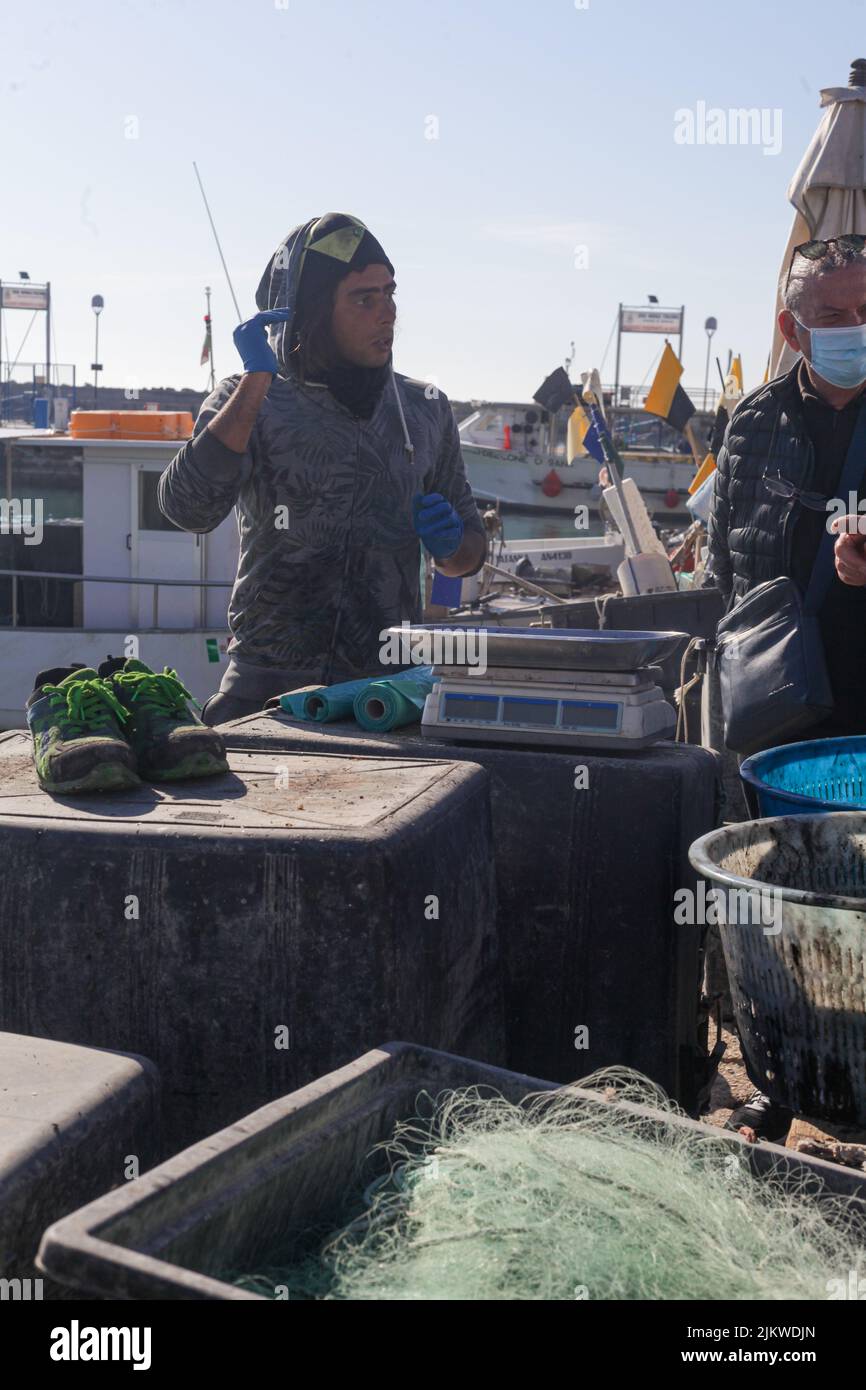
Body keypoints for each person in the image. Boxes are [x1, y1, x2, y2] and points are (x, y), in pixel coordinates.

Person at [159, 212, 486, 726]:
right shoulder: (247, 401)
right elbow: (187, 509)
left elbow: (468, 557)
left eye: (390, 293)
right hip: (264, 695)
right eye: (365, 298)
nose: (388, 314)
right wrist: (254, 382)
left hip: (385, 699)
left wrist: (451, 548)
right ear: (309, 312)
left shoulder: (424, 407)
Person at [707, 234, 866, 743]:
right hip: (778, 715)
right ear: (791, 332)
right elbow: (722, 573)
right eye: (834, 316)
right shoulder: (752, 421)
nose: (857, 327)